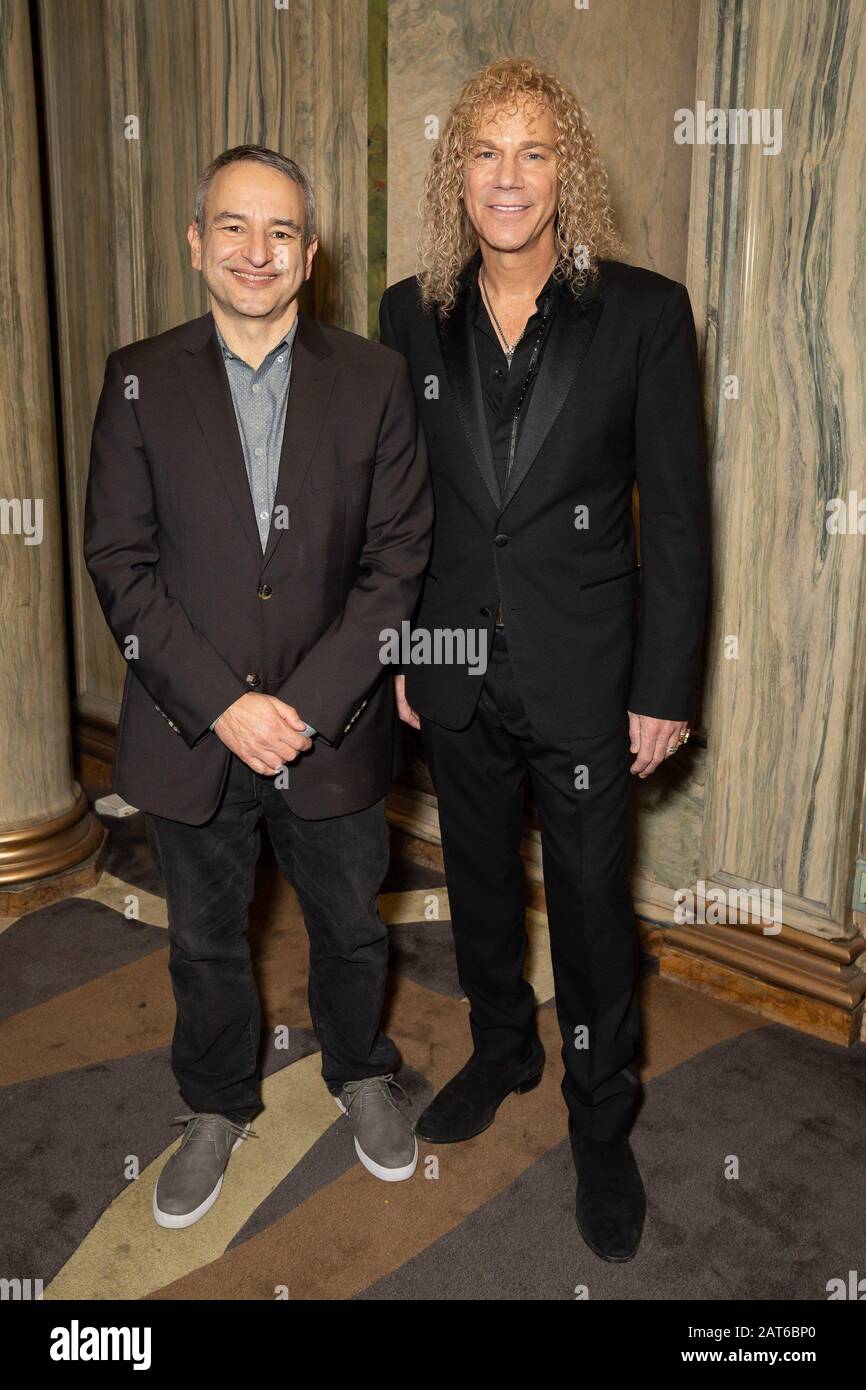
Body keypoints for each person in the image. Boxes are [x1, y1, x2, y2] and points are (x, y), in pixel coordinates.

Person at [379, 59, 710, 1261]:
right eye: (483, 152)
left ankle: (599, 1119)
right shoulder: (408, 311)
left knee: (585, 909)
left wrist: (664, 686)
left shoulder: (642, 311)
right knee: (475, 882)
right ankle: (503, 1048)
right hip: (457, 662)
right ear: (453, 174)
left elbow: (673, 516)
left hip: (585, 672)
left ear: (563, 167)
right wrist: (413, 649)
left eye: (531, 151)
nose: (506, 177)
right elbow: (403, 508)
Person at [85, 144, 433, 1227]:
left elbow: (397, 562)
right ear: (196, 244)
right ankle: (216, 1104)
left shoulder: (372, 379)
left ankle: (361, 1071)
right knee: (202, 937)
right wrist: (223, 703)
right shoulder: (137, 377)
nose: (256, 250)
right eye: (232, 226)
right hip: (191, 731)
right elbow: (119, 563)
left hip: (332, 728)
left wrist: (306, 705)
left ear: (309, 254)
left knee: (350, 925)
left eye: (280, 231)